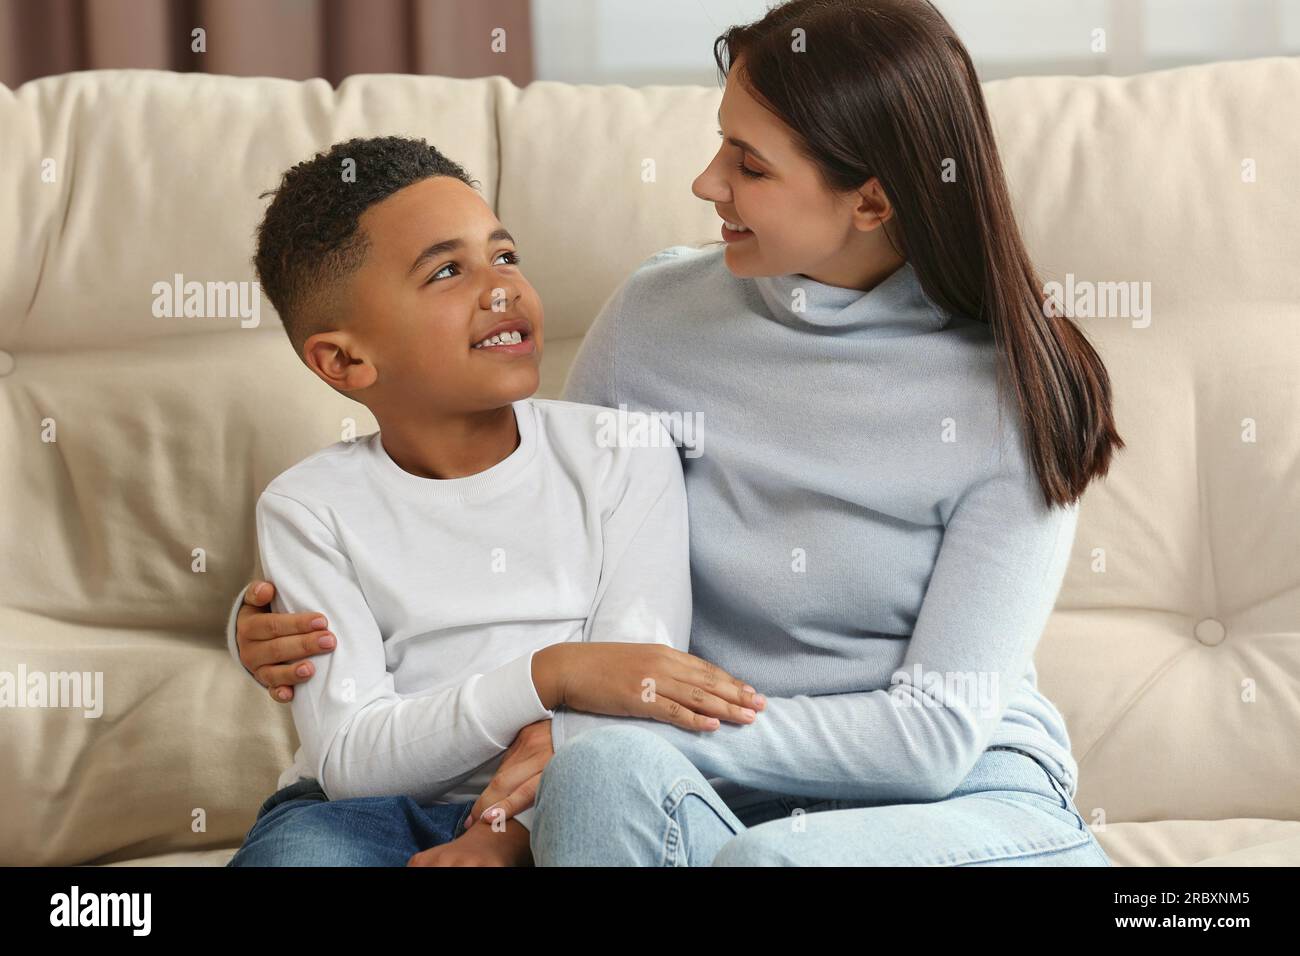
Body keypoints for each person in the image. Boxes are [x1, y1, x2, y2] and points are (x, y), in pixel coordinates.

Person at [233, 0, 1124, 866]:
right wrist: (284, 618)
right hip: (694, 780)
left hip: (958, 797)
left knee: (758, 854)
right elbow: (540, 517)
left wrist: (593, 722)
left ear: (872, 202)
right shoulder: (657, 314)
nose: (707, 183)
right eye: (720, 141)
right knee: (608, 777)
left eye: (751, 163)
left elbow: (930, 738)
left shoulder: (1016, 393)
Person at [224, 136, 762, 867]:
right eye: (447, 271)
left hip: (572, 789)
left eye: (503, 256)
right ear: (345, 360)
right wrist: (553, 671)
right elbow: (350, 758)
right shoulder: (308, 507)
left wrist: (505, 827)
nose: (500, 287)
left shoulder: (626, 454)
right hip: (356, 815)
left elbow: (637, 687)